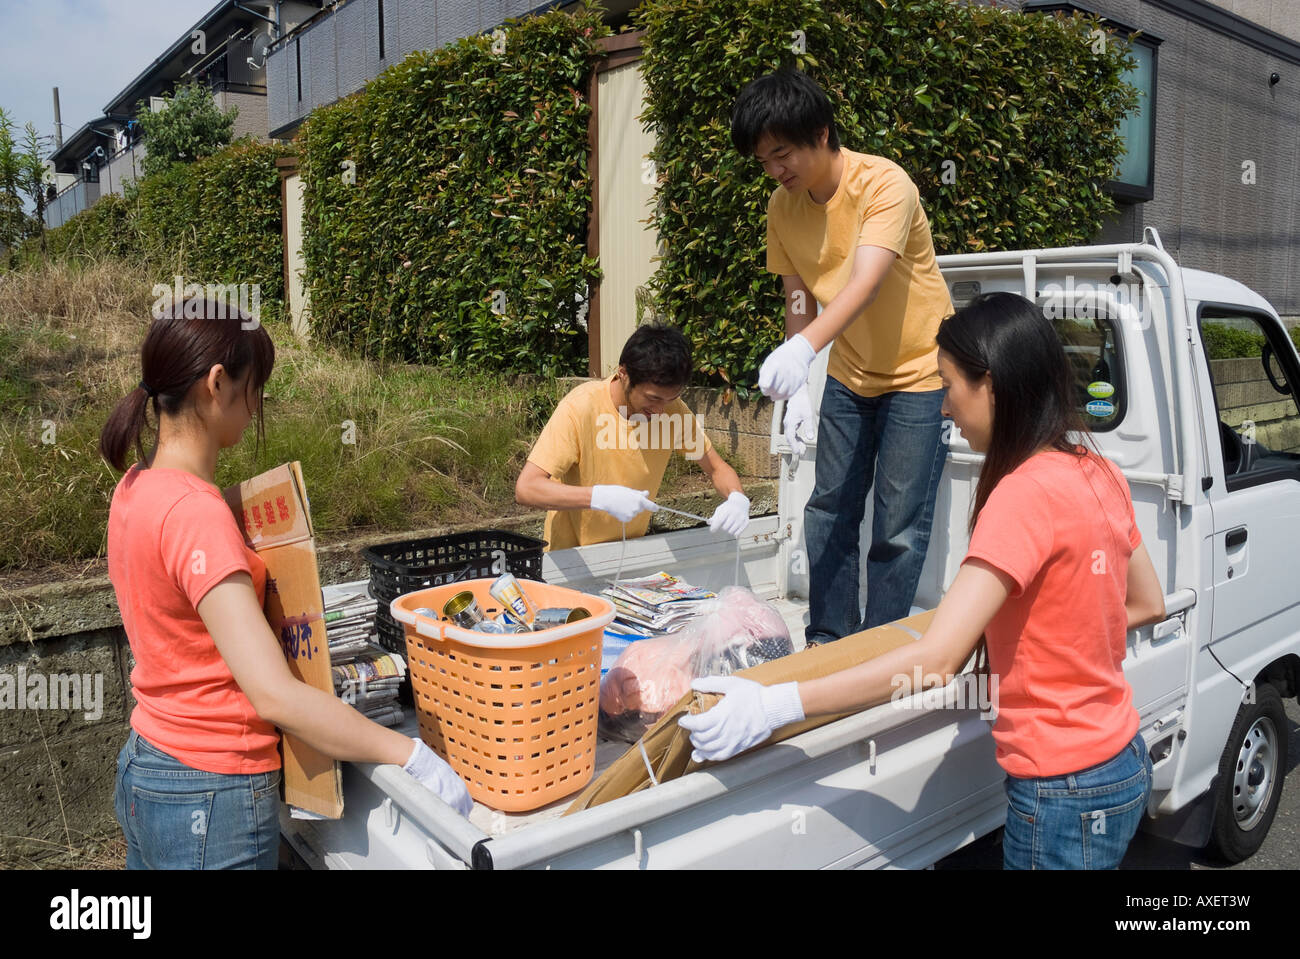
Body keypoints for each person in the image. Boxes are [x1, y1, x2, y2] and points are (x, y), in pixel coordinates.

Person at [679, 292, 1168, 870]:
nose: (942, 408)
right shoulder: (1099, 470)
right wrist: (1053, 638)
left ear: (990, 384)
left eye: (949, 385)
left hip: (1062, 789)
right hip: (1120, 759)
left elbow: (936, 661)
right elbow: (1147, 602)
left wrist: (775, 704)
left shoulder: (1022, 494)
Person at [101, 297, 473, 870]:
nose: (257, 407)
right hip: (212, 790)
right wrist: (409, 755)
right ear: (218, 383)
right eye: (257, 388)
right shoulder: (196, 517)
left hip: (148, 762)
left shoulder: (135, 488)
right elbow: (274, 694)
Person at [731, 67, 953, 644]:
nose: (776, 171)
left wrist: (803, 351)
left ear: (823, 133)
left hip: (922, 373)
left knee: (898, 524)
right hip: (851, 374)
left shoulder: (886, 184)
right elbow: (800, 293)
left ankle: (878, 648)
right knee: (827, 508)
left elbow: (865, 283)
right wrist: (801, 375)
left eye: (782, 153)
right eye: (764, 161)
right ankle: (829, 637)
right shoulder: (783, 207)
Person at [515, 323, 750, 550]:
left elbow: (717, 468)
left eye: (670, 399)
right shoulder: (581, 408)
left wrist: (737, 498)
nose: (660, 410)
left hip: (628, 556)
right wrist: (599, 497)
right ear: (623, 373)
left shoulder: (672, 411)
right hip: (572, 557)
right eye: (653, 398)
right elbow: (527, 488)